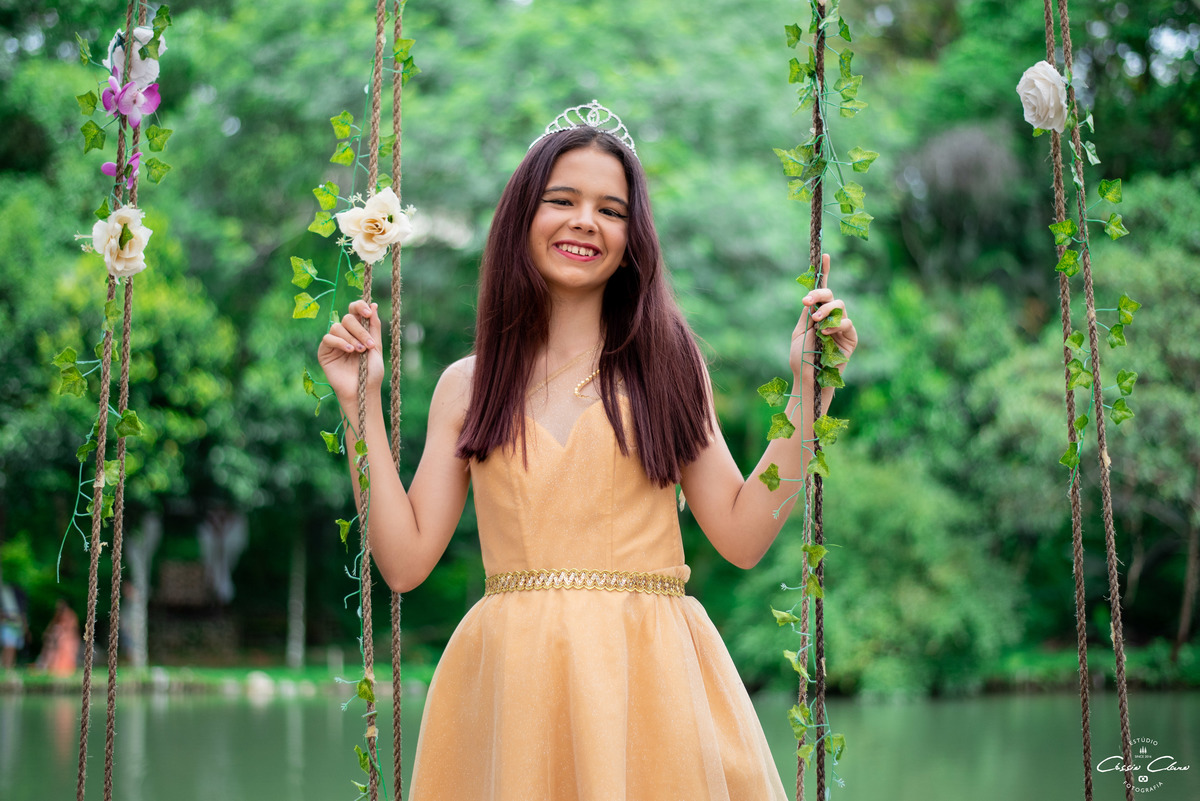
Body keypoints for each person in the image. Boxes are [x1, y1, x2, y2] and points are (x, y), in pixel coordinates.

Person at [317, 101, 858, 800]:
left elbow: (744, 532)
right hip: (515, 693)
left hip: (650, 688)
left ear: (632, 239)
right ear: (522, 218)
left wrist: (807, 395)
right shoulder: (469, 384)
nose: (585, 222)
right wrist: (357, 405)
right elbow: (404, 559)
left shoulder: (669, 365)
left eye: (611, 209)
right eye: (562, 200)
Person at [35, 599, 81, 678]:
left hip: (67, 640)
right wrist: (49, 634)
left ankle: (65, 671)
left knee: (65, 654)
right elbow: (51, 626)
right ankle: (53, 670)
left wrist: (60, 633)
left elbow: (71, 629)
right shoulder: (57, 615)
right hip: (59, 640)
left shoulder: (70, 615)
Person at [0, 566, 29, 670]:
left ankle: (7, 666)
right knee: (9, 647)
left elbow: (21, 613)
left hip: (14, 624)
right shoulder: (6, 592)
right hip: (9, 624)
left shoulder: (15, 593)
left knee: (11, 647)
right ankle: (6, 667)